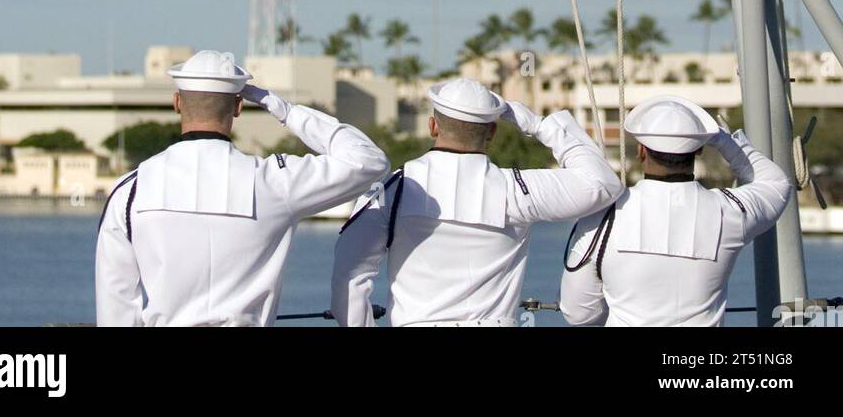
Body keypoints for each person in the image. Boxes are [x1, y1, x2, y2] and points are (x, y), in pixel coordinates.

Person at [95, 49, 389, 326]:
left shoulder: (131, 191)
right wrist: (281, 108)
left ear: (177, 102)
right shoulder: (273, 182)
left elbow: (116, 305)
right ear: (238, 107)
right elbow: (368, 160)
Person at [331, 76, 623, 327]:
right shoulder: (517, 189)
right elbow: (602, 183)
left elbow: (350, 275)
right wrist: (537, 124)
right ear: (492, 132)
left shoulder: (394, 190)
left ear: (433, 126)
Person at [560, 95, 792, 328]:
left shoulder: (603, 216)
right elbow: (777, 185)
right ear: (699, 149)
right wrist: (724, 140)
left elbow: (578, 314)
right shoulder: (729, 212)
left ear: (641, 151)